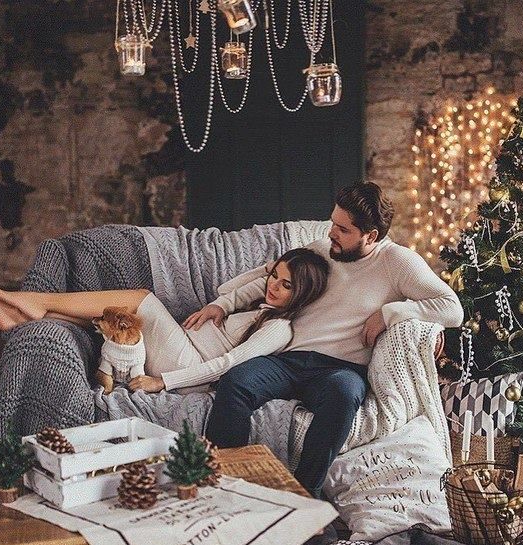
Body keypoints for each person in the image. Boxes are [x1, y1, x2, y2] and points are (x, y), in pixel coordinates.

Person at [188, 182, 464, 500]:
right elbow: (272, 276)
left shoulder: (398, 263)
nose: (332, 232)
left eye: (343, 229)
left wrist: (391, 312)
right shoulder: (322, 250)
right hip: (290, 358)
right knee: (236, 381)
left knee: (344, 394)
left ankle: (307, 495)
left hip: (341, 370)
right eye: (333, 222)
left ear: (370, 236)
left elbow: (451, 308)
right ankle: (225, 486)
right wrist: (222, 305)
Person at [0, 248, 330, 393]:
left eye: (287, 286)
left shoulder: (278, 330)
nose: (273, 286)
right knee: (114, 320)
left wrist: (163, 382)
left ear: (301, 295)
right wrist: (223, 305)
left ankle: (38, 301)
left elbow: (227, 365)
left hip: (189, 366)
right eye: (275, 276)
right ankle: (25, 317)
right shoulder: (263, 305)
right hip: (185, 347)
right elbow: (227, 288)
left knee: (141, 298)